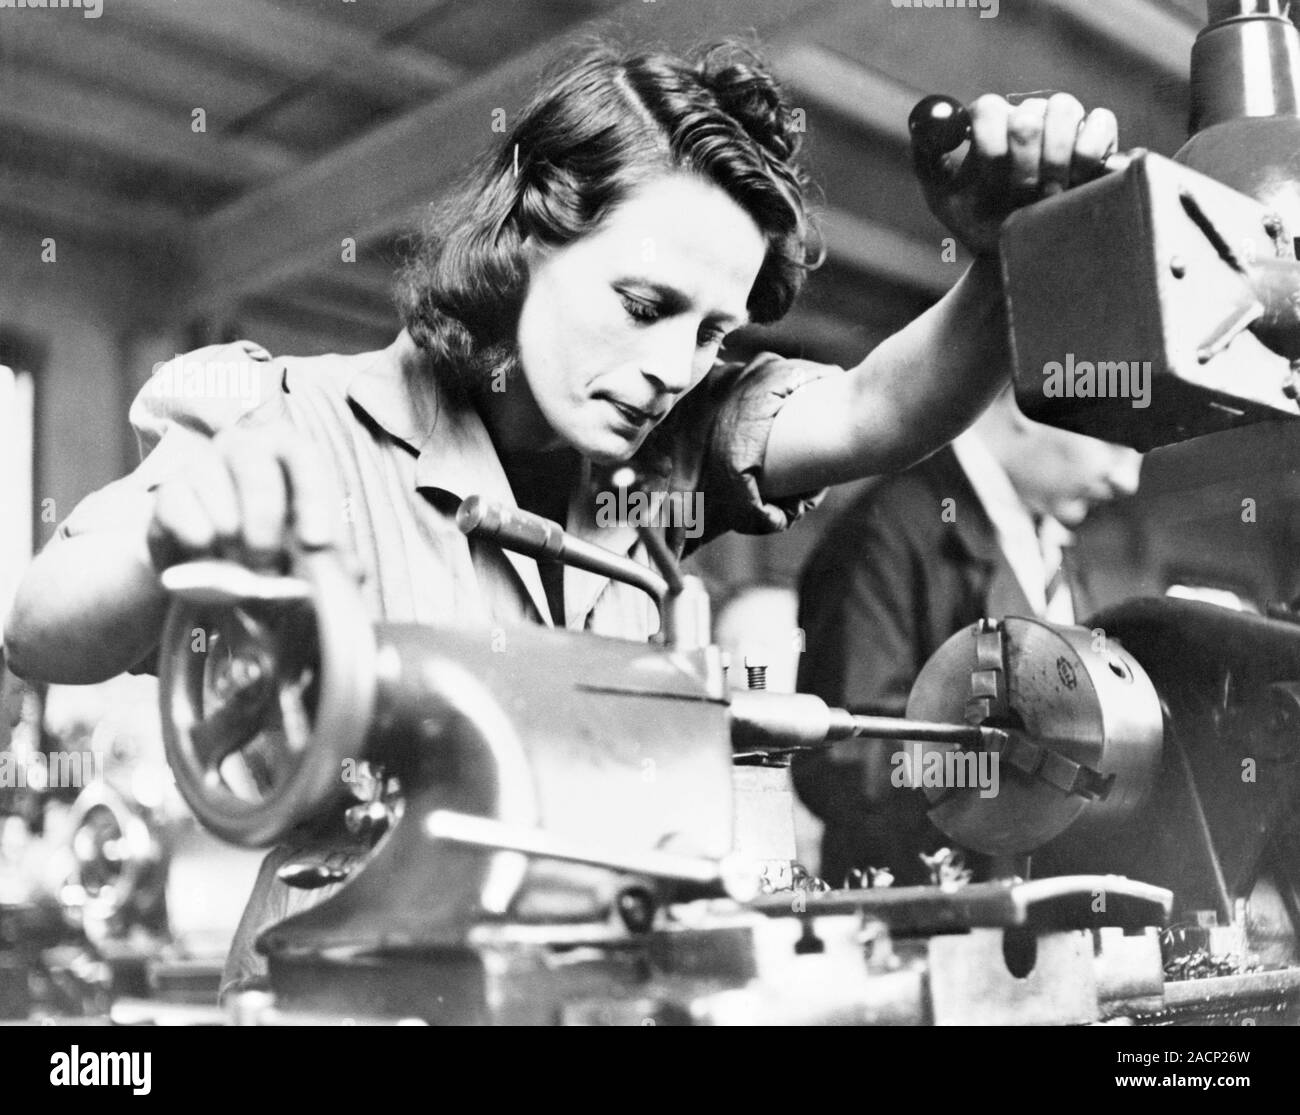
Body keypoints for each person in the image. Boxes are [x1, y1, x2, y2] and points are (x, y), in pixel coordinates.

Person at [3, 41, 1121, 996]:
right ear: (527, 236)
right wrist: (169, 536)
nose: (672, 367)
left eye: (712, 334)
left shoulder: (657, 455)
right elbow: (42, 625)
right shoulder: (294, 419)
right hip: (340, 993)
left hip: (577, 986)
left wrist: (1001, 254)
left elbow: (882, 408)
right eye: (644, 306)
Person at [792, 385, 1142, 887]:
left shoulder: (1052, 548)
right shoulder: (884, 531)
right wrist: (1016, 769)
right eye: (1117, 439)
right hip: (923, 921)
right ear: (1027, 404)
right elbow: (845, 757)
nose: (1128, 478)